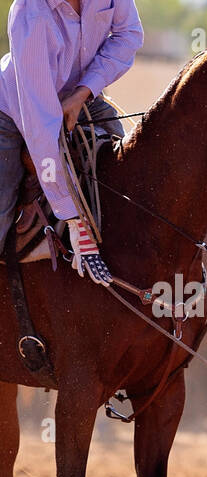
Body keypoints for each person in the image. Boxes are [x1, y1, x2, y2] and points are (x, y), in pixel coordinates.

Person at [0, 0, 143, 286]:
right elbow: (41, 125)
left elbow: (130, 34)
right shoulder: (31, 12)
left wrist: (82, 93)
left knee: (134, 175)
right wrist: (74, 220)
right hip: (16, 113)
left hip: (84, 95)